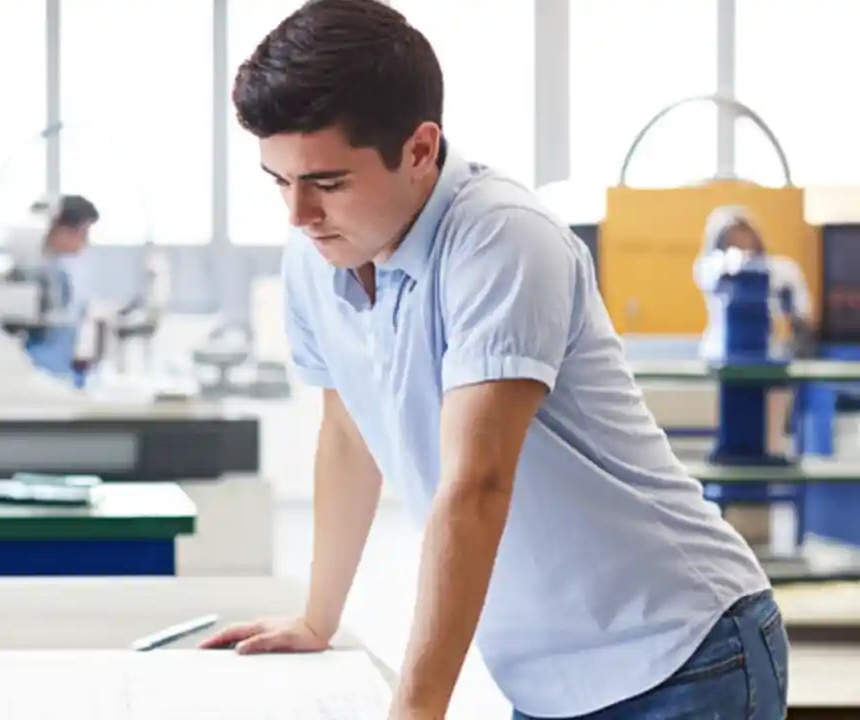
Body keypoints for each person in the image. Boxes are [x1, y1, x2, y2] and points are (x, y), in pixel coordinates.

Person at [200, 2, 788, 718]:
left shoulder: (501, 240)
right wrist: (318, 618)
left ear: (420, 149)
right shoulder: (315, 256)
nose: (297, 214)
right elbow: (350, 437)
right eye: (278, 182)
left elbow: (476, 485)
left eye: (326, 182)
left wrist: (417, 708)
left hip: (683, 656)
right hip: (550, 682)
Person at [695, 205, 814, 362]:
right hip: (720, 360)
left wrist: (795, 352)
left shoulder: (783, 272)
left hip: (770, 357)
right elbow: (716, 272)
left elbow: (803, 317)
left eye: (743, 236)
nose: (739, 242)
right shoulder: (710, 269)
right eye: (730, 238)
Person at [20, 194, 102, 386]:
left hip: (61, 369)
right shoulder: (38, 272)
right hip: (39, 370)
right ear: (60, 230)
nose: (84, 241)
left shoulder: (64, 270)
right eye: (82, 233)